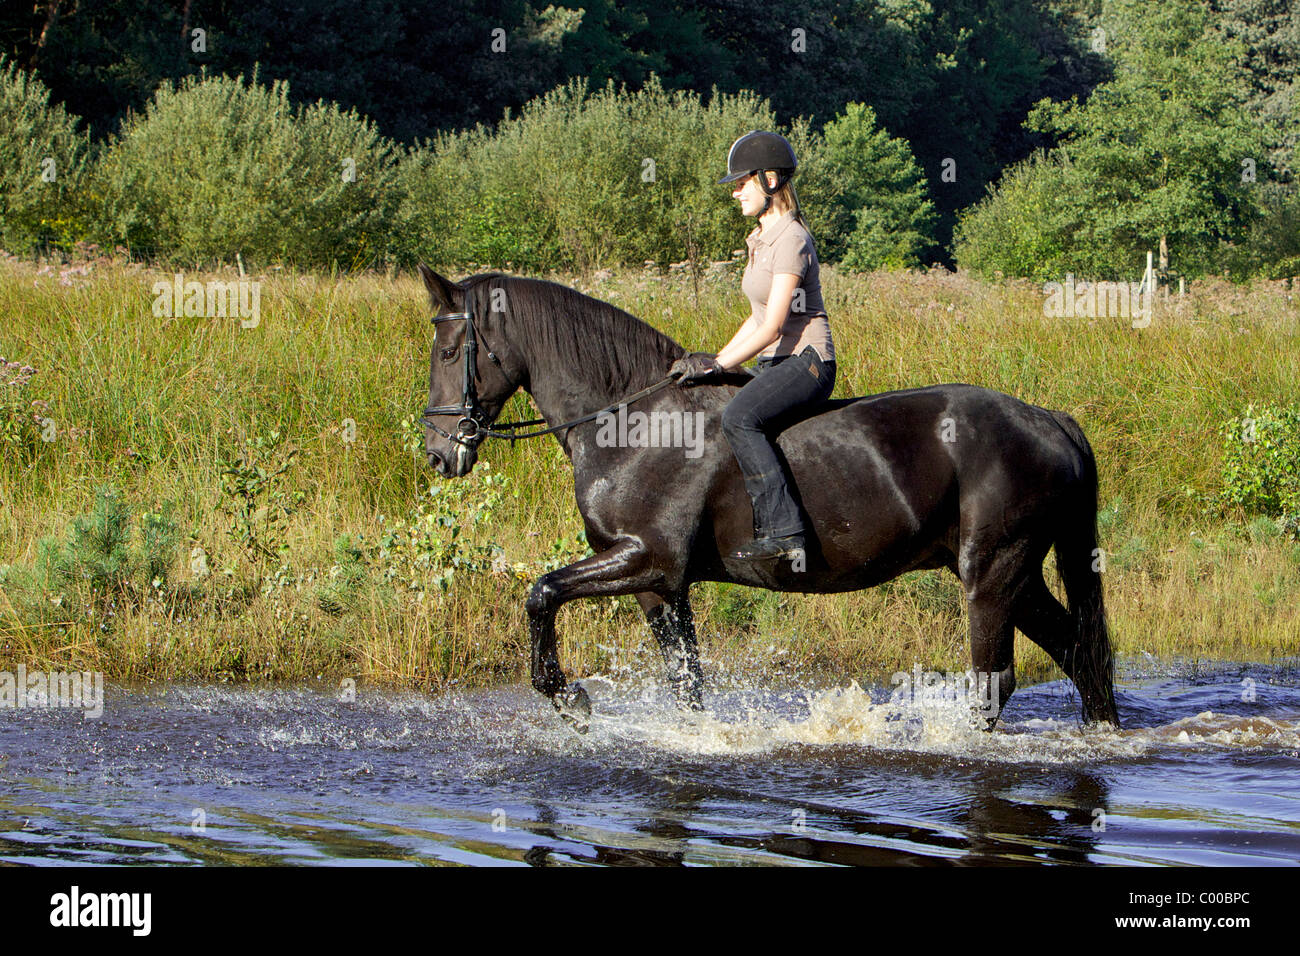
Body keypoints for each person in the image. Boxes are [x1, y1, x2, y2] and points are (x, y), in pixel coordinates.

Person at [669, 130, 836, 562]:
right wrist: (713, 361)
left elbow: (776, 324)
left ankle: (785, 532)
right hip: (774, 363)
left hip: (806, 361)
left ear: (771, 180)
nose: (735, 192)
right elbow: (757, 318)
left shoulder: (792, 240)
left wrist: (719, 363)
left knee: (740, 417)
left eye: (742, 182)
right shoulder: (761, 240)